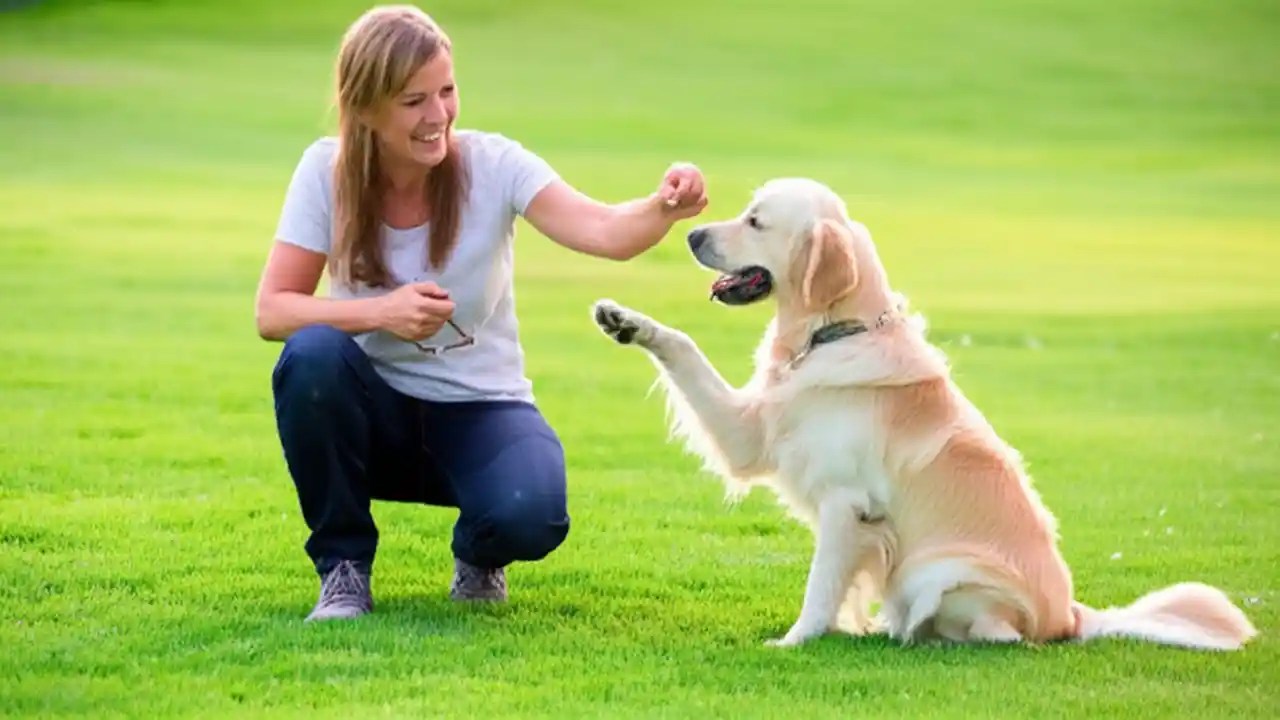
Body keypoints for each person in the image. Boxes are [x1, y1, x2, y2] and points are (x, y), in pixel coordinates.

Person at [254, 4, 708, 622]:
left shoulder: (495, 166)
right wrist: (382, 312)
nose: (437, 115)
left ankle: (477, 552)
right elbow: (274, 311)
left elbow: (603, 230)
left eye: (446, 90)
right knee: (310, 357)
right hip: (373, 411)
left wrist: (662, 206)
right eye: (413, 101)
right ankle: (344, 568)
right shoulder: (324, 172)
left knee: (533, 513)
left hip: (479, 409)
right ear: (365, 109)